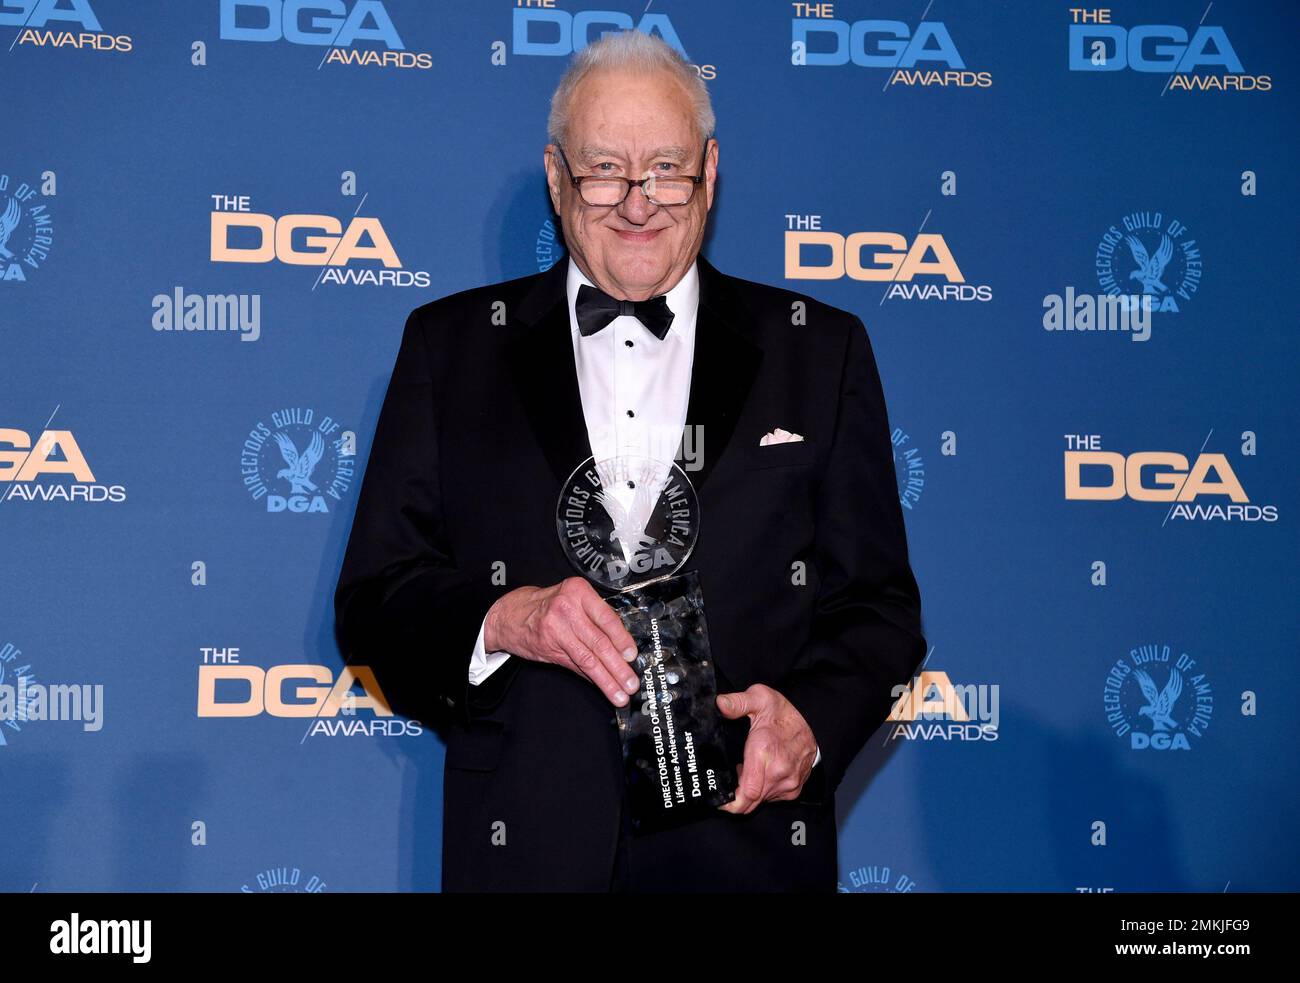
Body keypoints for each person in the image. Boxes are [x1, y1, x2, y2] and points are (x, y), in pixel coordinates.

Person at [333, 29, 926, 892]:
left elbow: (880, 606)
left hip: (746, 855)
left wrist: (810, 721)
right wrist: (507, 619)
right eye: (606, 169)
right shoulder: (451, 348)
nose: (638, 202)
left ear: (711, 171)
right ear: (556, 175)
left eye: (667, 169)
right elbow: (375, 600)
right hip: (525, 852)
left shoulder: (819, 353)